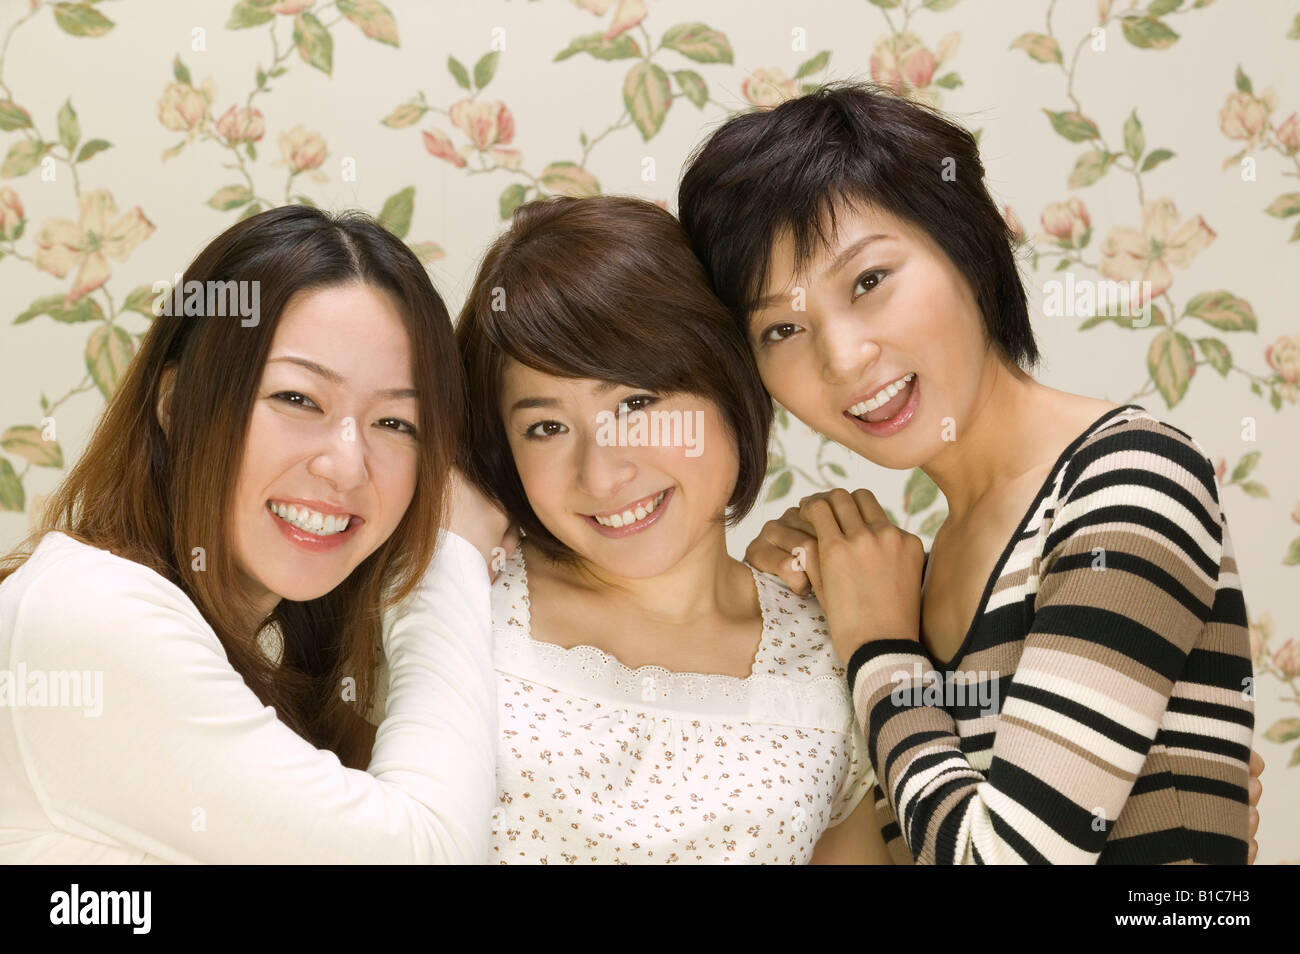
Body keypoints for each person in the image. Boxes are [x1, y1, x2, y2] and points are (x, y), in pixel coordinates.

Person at [678, 82, 1258, 864]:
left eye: (869, 281)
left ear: (969, 248)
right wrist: (789, 630)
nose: (842, 358)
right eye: (782, 327)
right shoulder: (923, 568)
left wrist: (878, 647)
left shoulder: (1130, 480)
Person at [0, 205, 509, 863]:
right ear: (177, 405)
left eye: (395, 424)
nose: (346, 466)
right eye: (298, 400)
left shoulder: (254, 653)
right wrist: (449, 552)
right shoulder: (92, 617)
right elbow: (426, 855)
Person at [451, 194, 888, 863]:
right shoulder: (459, 600)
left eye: (636, 403)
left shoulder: (826, 655)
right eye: (546, 427)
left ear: (727, 382)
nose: (600, 475)